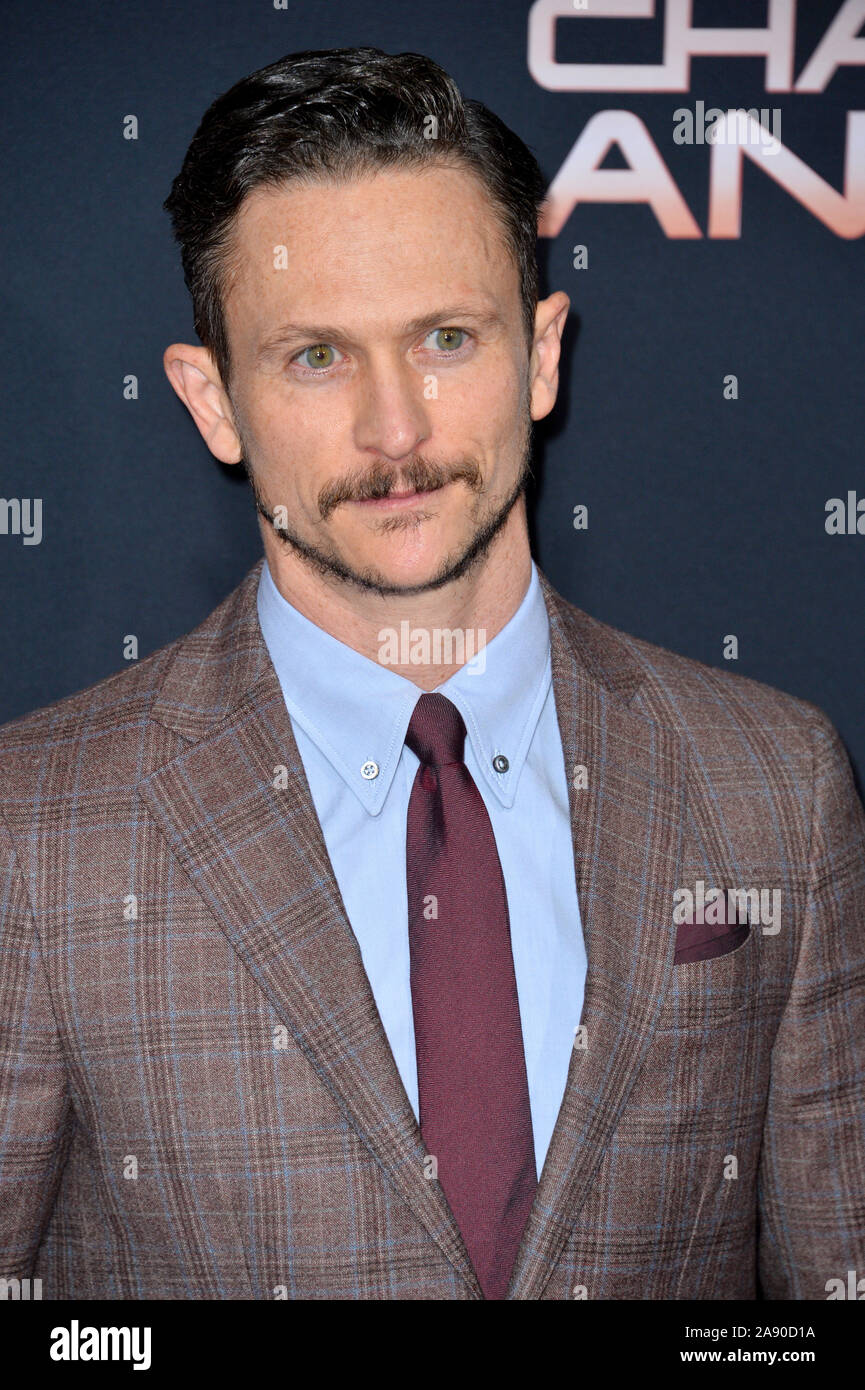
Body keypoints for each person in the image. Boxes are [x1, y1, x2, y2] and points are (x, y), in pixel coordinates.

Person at [1, 47, 863, 1301]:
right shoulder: (31, 828)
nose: (393, 429)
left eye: (446, 338)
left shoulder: (773, 785)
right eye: (315, 357)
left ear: (543, 353)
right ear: (212, 401)